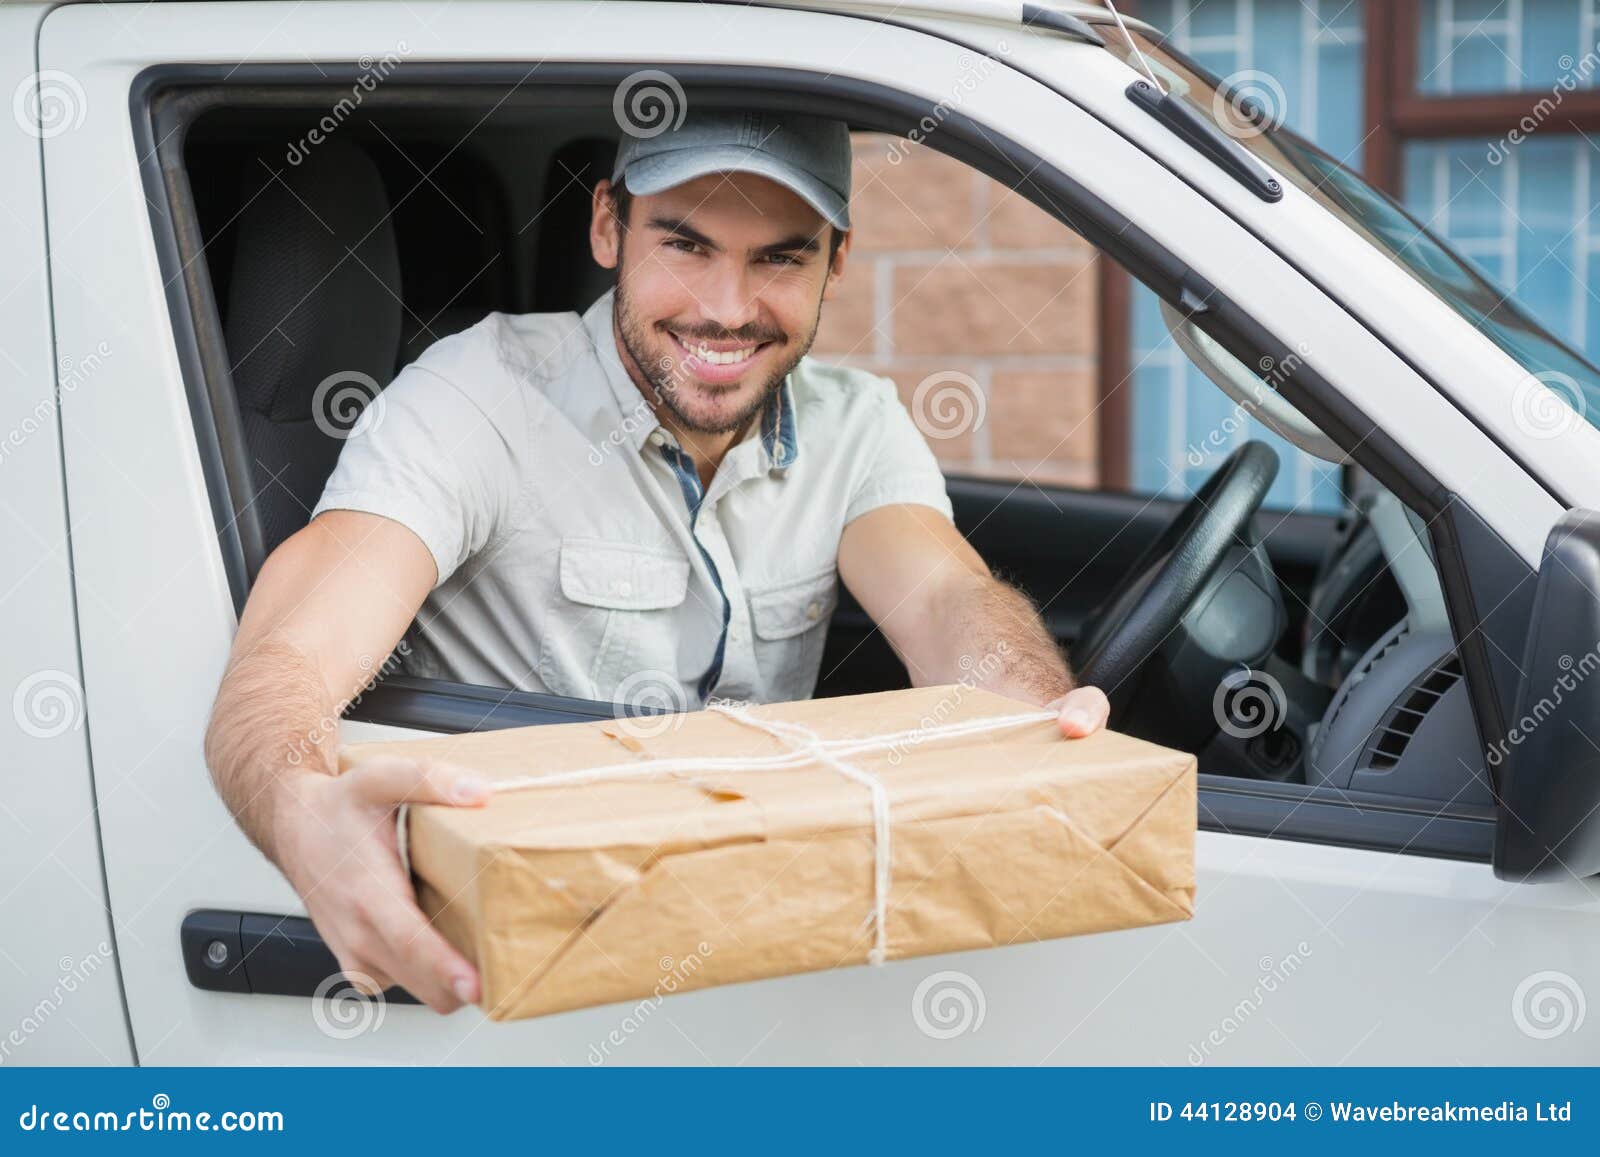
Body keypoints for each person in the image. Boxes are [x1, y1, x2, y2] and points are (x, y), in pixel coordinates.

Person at [204, 108, 1111, 1015]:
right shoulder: (475, 401)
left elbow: (949, 596)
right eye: (686, 245)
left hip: (760, 955)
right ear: (608, 226)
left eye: (779, 258)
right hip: (538, 970)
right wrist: (298, 806)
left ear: (837, 262)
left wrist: (1034, 712)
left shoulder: (857, 425)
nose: (726, 308)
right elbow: (290, 655)